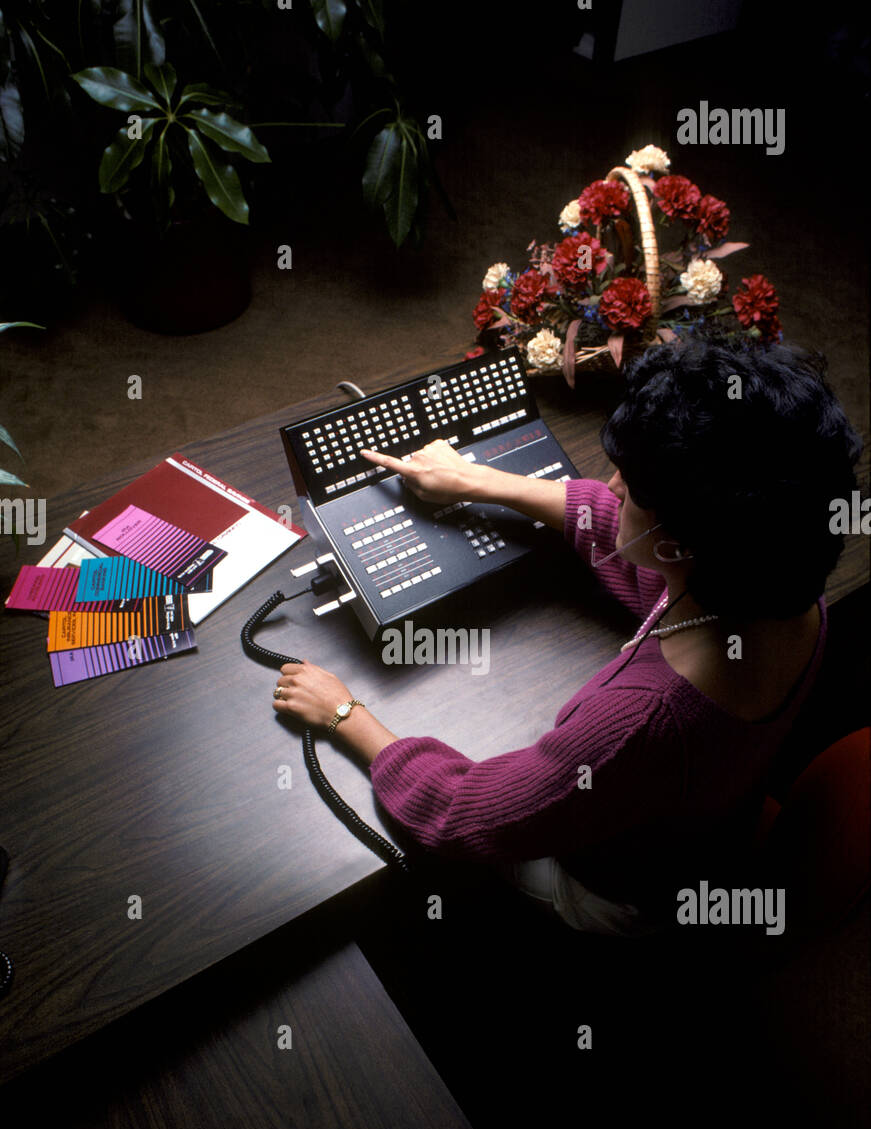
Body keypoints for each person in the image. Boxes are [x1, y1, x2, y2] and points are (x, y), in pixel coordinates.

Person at [270, 341, 861, 934]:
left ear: (681, 545)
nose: (610, 486)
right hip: (710, 829)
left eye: (629, 486)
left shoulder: (640, 725)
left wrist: (346, 714)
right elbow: (631, 544)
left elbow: (463, 813)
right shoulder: (780, 583)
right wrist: (476, 480)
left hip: (612, 893)